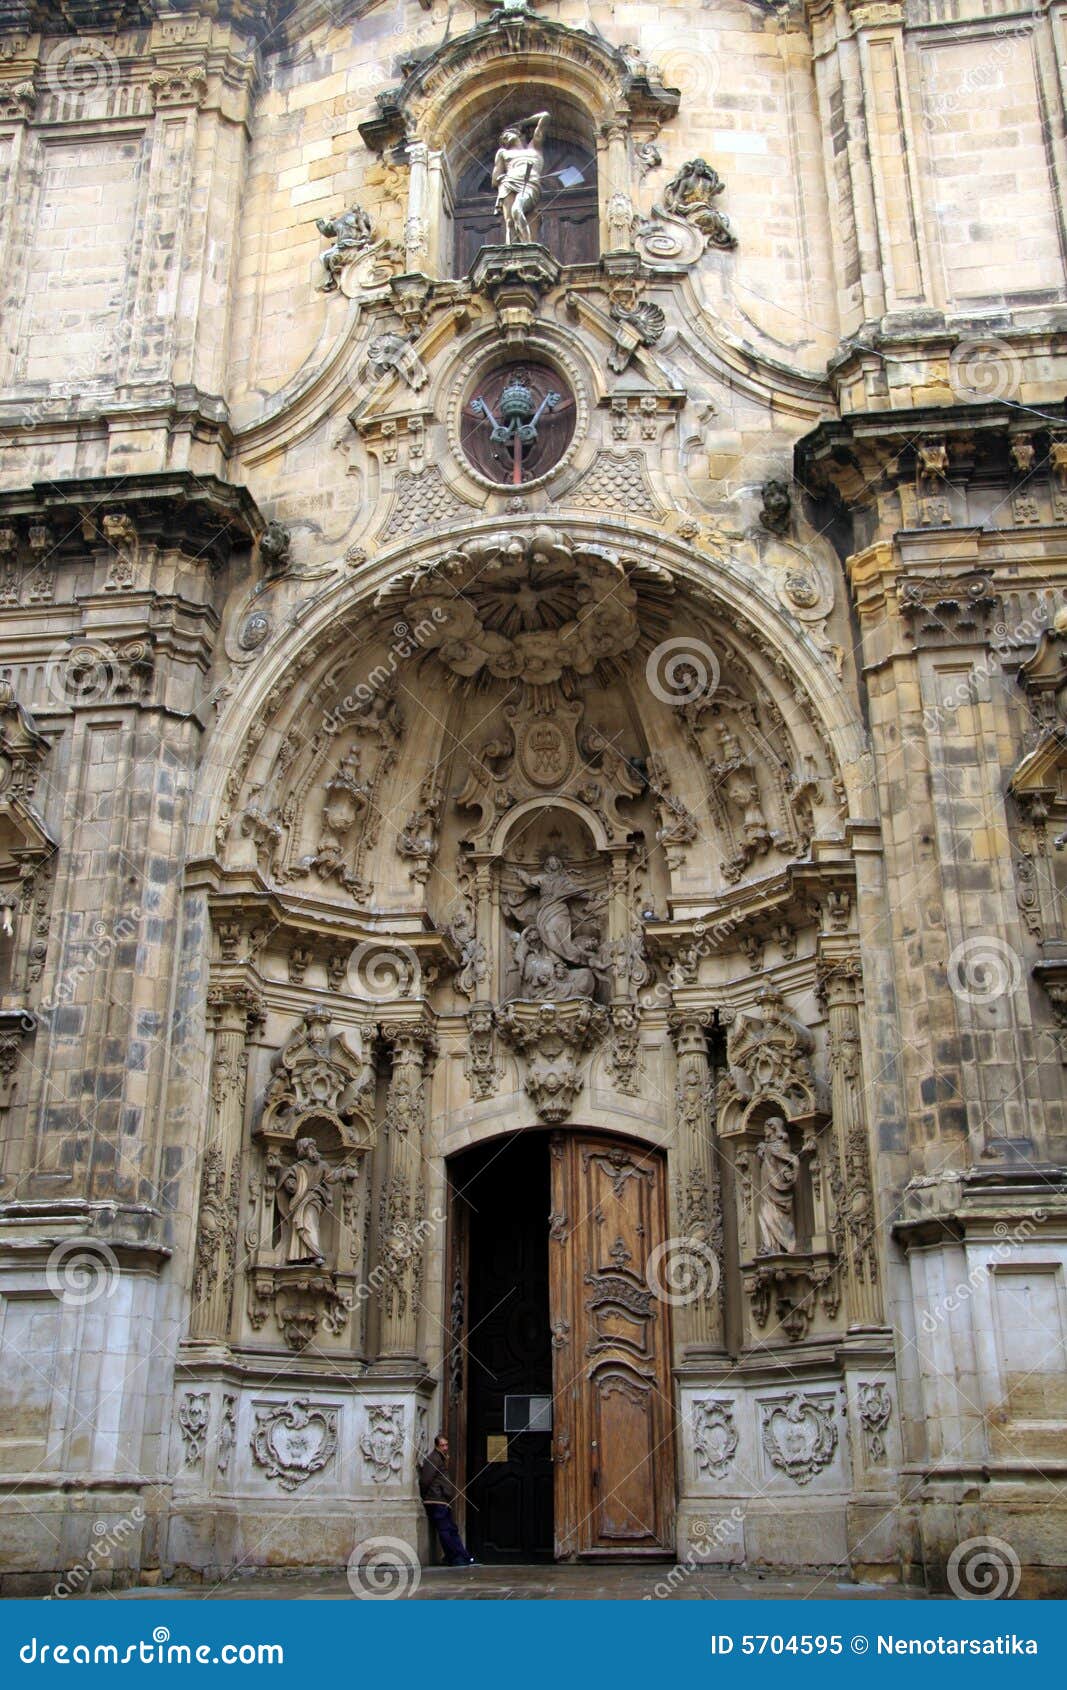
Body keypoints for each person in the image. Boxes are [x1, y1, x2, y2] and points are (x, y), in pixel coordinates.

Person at [418, 1433, 475, 1567]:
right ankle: (454, 1558)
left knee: (451, 1529)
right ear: (437, 1446)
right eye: (442, 1445)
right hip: (436, 1500)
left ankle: (464, 1556)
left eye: (446, 1445)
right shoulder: (434, 1459)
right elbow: (425, 1480)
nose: (445, 1448)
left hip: (442, 1501)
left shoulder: (441, 1459)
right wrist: (428, 1495)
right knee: (445, 1530)